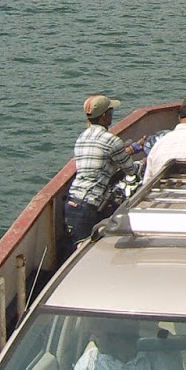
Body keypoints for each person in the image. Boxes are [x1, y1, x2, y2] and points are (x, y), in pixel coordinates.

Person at [64, 94, 147, 254]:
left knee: (75, 249)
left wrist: (133, 148)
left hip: (72, 201)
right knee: (85, 253)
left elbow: (104, 158)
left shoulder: (82, 137)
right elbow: (131, 170)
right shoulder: (111, 140)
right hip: (89, 205)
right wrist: (146, 160)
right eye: (111, 112)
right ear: (104, 116)